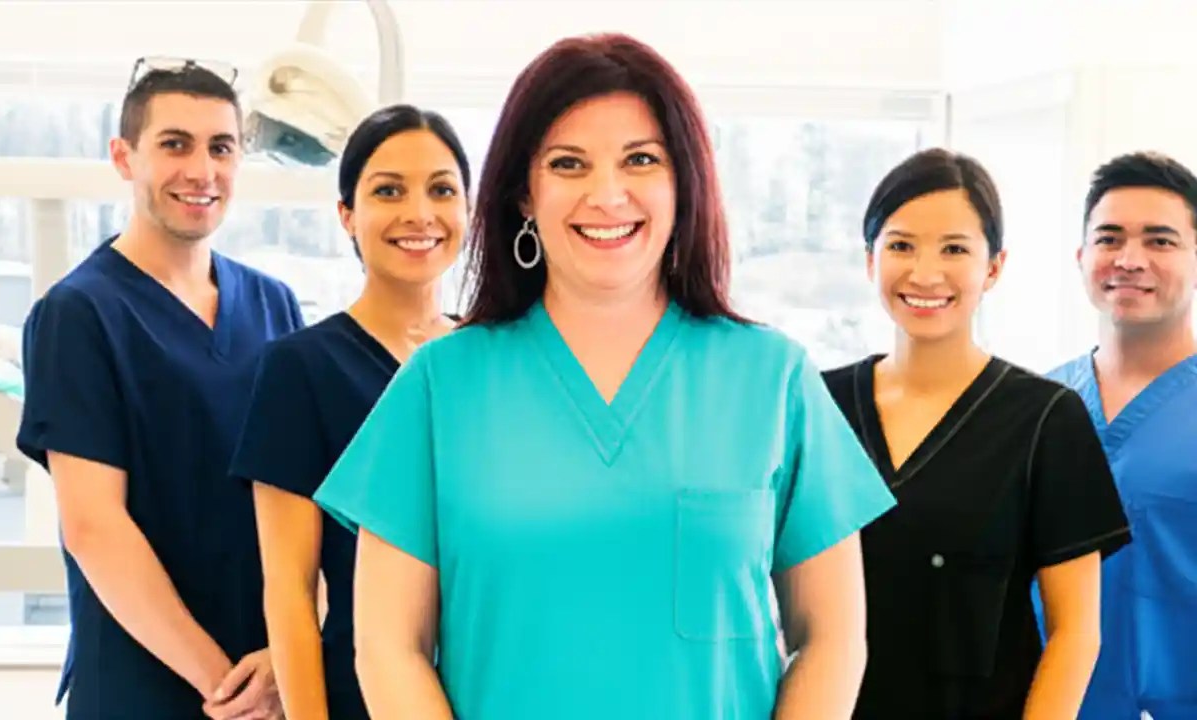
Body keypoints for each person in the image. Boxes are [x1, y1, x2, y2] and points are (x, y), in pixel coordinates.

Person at [312, 33, 896, 720]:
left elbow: (832, 638)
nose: (607, 194)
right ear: (523, 194)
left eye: (641, 160)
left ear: (685, 183)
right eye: (568, 164)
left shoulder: (773, 380)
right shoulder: (439, 386)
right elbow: (386, 646)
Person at [15, 59, 302, 720]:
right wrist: (229, 689)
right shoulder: (80, 314)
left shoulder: (273, 305)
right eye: (175, 144)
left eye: (221, 148)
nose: (201, 171)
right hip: (149, 685)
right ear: (124, 157)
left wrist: (291, 654)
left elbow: (304, 502)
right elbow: (93, 527)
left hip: (275, 677)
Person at [821, 148, 1132, 719]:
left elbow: (1076, 634)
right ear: (870, 260)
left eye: (955, 249)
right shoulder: (819, 407)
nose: (925, 272)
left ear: (994, 267)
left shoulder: (1045, 419)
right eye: (900, 245)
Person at [228, 103, 471, 720]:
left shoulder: (492, 360)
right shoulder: (301, 368)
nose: (419, 213)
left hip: (492, 684)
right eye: (388, 191)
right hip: (361, 693)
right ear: (347, 215)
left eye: (441, 190)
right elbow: (289, 589)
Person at [1047, 151, 1197, 720]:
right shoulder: (1035, 407)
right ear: (1082, 256)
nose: (1129, 259)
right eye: (1109, 238)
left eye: (1160, 241)